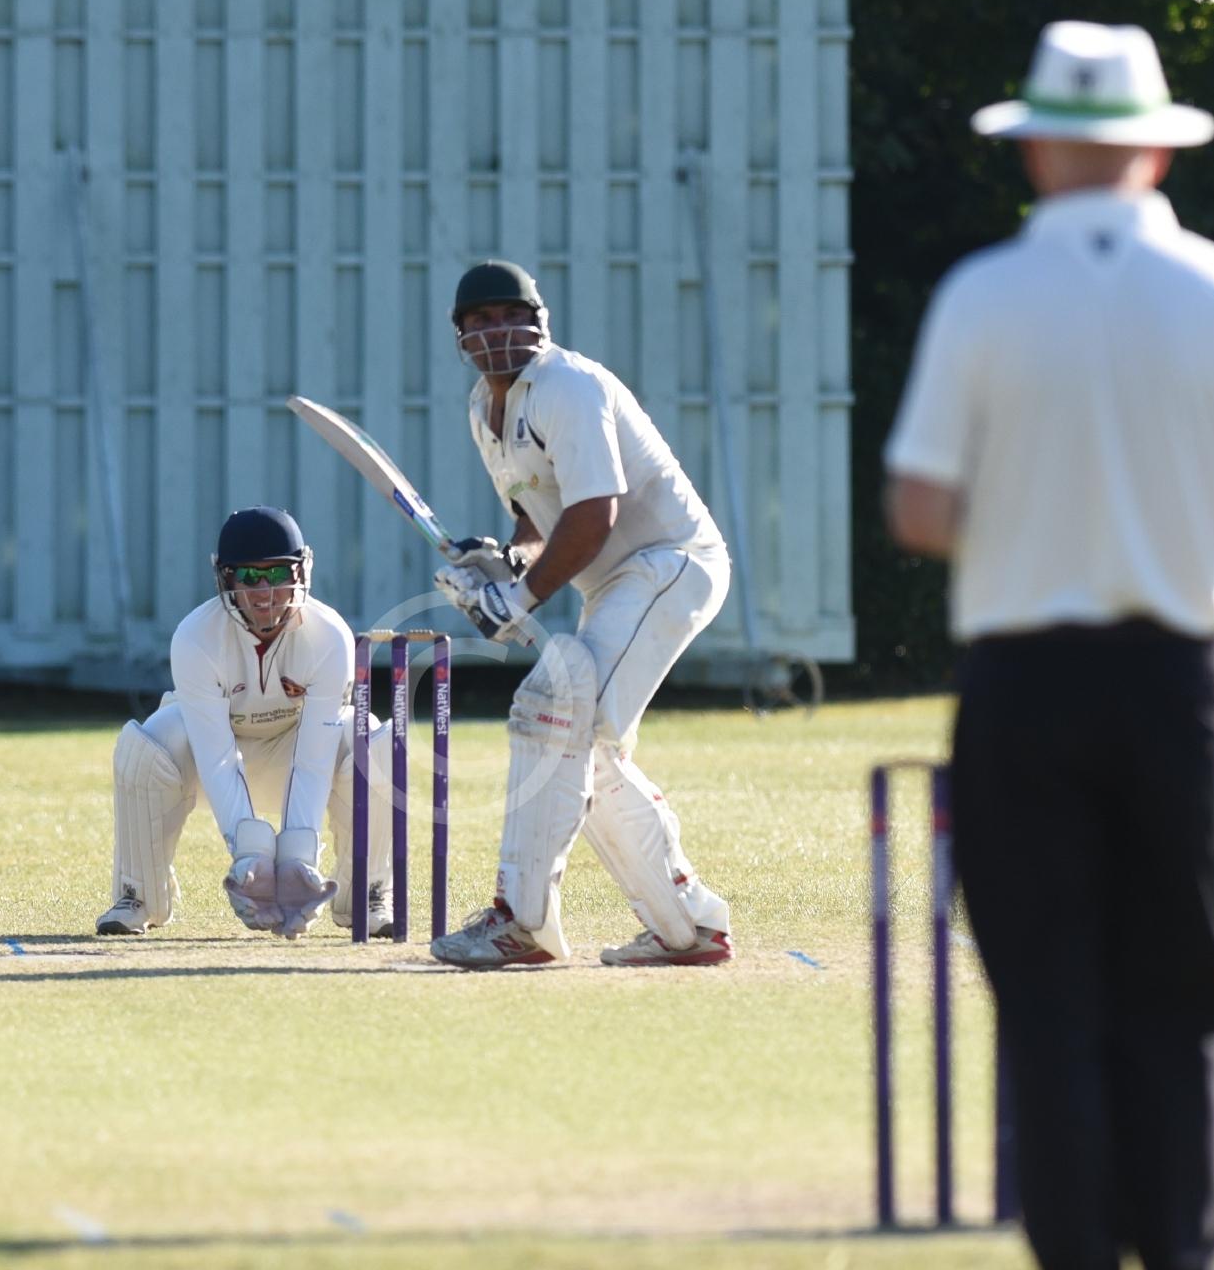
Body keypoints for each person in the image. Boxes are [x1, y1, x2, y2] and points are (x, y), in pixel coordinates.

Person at [883, 21, 1214, 1270]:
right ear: (1153, 146)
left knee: (1048, 992)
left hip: (1024, 672)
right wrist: (1176, 532)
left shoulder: (982, 296)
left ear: (1033, 148)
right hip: (1179, 667)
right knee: (1178, 988)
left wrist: (1042, 530)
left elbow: (919, 507)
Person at [426, 260, 737, 971]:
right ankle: (685, 926)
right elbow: (540, 518)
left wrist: (522, 597)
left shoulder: (571, 385)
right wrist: (504, 562)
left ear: (541, 322)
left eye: (512, 315)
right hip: (614, 583)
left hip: (669, 562)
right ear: (460, 335)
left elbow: (597, 512)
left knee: (553, 711)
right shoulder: (484, 410)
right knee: (584, 743)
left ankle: (522, 921)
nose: (498, 330)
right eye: (481, 320)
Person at [96, 506, 396, 940]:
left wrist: (297, 859)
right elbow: (216, 759)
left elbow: (315, 759)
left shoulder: (329, 636)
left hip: (297, 754)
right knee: (150, 745)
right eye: (249, 578)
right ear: (225, 579)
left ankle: (366, 895)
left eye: (277, 575)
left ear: (301, 572)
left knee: (372, 742)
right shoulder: (195, 637)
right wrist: (250, 858)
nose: (264, 593)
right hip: (214, 760)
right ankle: (137, 896)